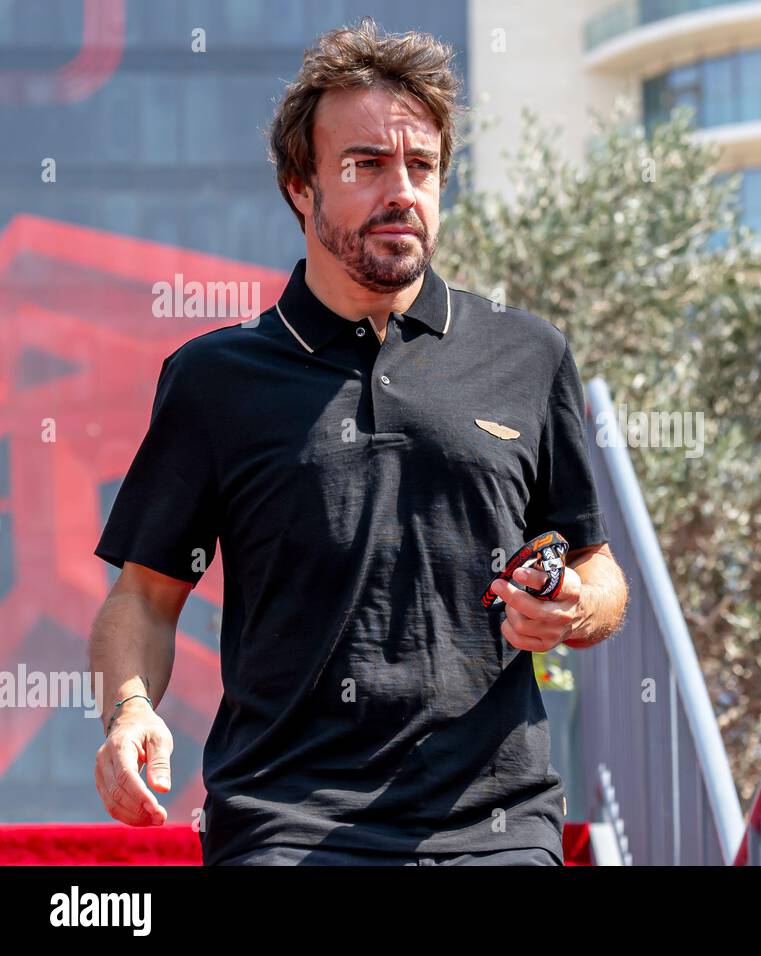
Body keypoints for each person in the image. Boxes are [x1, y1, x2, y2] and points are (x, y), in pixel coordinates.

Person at [88, 17, 628, 866]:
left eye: (422, 166)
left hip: (497, 824)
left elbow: (596, 568)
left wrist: (576, 608)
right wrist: (129, 710)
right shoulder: (215, 379)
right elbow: (145, 597)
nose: (402, 189)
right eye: (366, 164)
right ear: (300, 186)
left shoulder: (527, 355)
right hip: (283, 824)